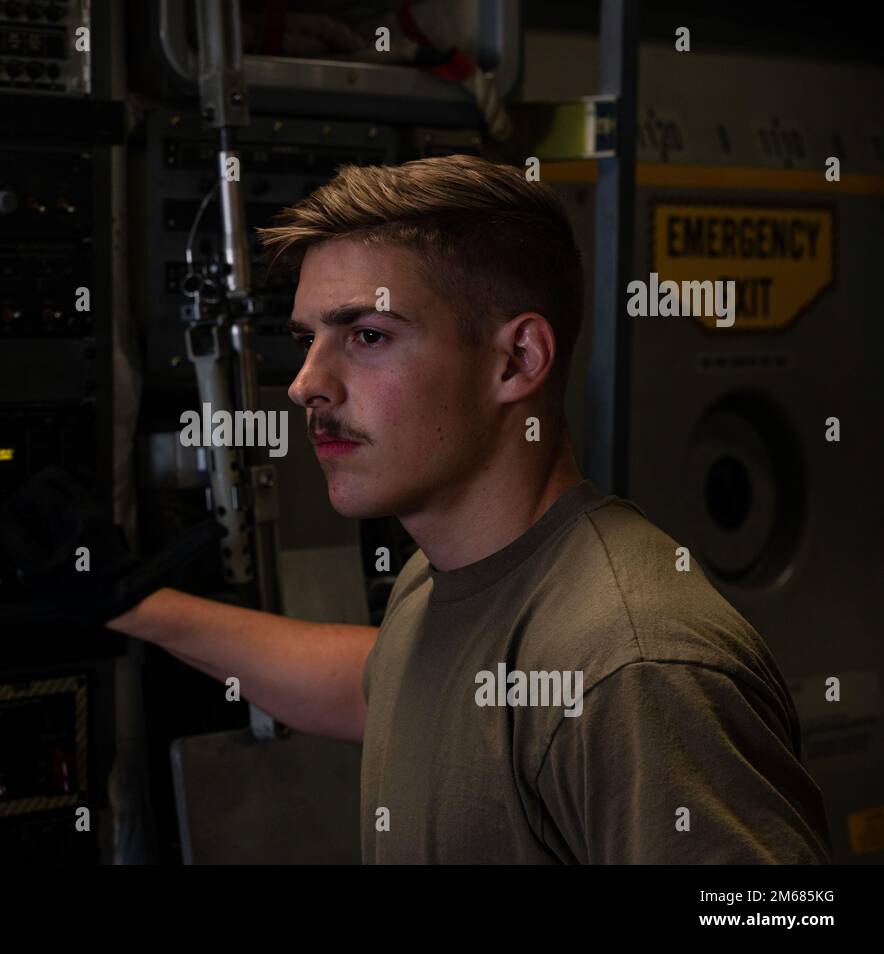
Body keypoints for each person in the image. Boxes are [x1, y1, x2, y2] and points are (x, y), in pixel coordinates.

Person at [102, 154, 830, 863]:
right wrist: (133, 601)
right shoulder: (440, 579)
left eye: (368, 336)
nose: (304, 385)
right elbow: (382, 691)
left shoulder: (633, 667)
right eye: (306, 340)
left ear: (516, 361)